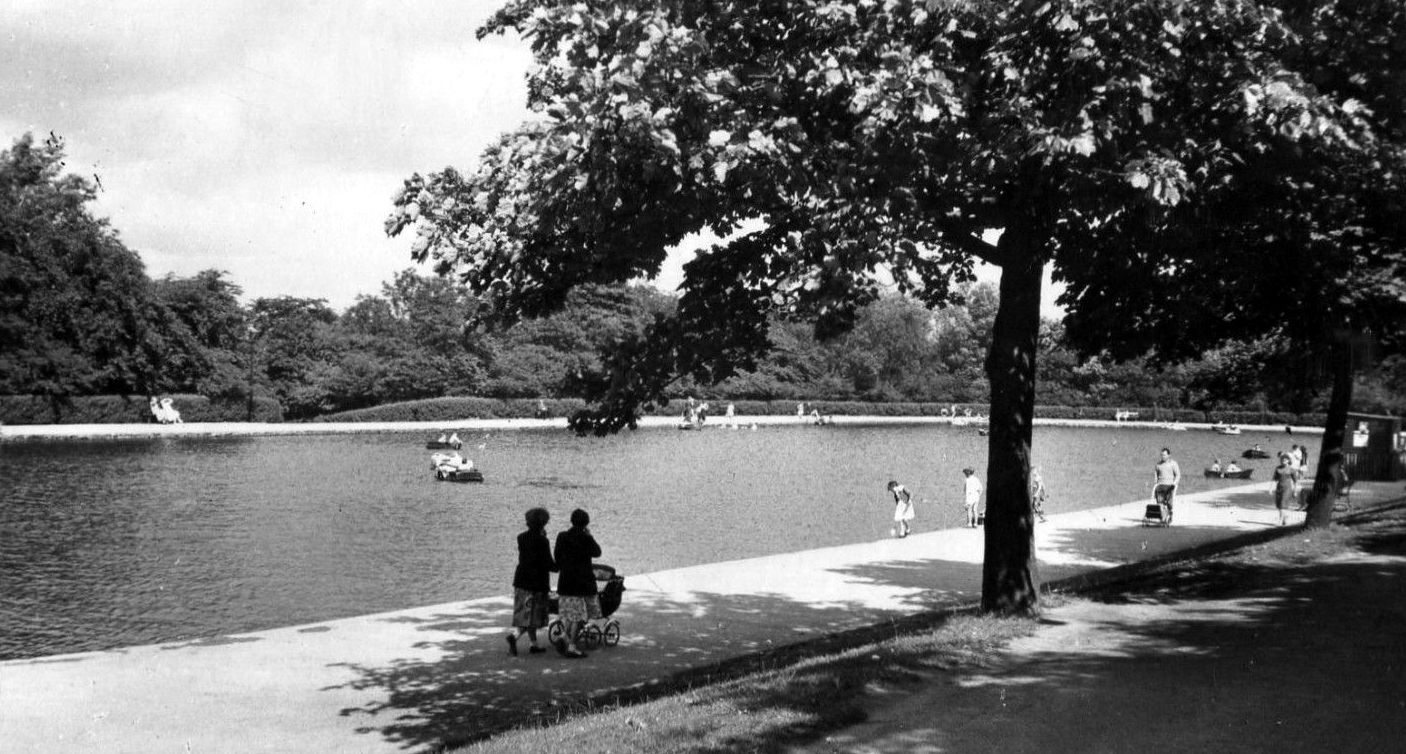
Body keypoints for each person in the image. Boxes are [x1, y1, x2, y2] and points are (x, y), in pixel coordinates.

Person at [553, 508, 603, 658]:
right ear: (585, 523)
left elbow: (557, 557)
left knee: (571, 615)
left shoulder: (561, 536)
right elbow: (597, 552)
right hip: (583, 584)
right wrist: (589, 535)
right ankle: (571, 647)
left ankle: (563, 637)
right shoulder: (585, 538)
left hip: (566, 581)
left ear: (572, 521)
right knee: (581, 616)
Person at [507, 507, 557, 656]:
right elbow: (549, 564)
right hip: (537, 583)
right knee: (533, 616)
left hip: (521, 580)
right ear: (543, 524)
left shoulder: (521, 537)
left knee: (524, 613)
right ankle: (514, 636)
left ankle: (533, 644)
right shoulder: (543, 541)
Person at [1153, 447, 1180, 524]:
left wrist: (1174, 484)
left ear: (1169, 455)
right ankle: (1163, 516)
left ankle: (1170, 513)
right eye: (1162, 455)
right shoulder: (1158, 464)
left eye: (1164, 455)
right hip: (1160, 485)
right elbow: (1156, 475)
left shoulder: (1173, 464)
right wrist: (1155, 483)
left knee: (1169, 503)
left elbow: (1178, 475)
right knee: (1159, 502)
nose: (1163, 456)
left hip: (1169, 485)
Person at [1272, 452, 1299, 526]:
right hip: (1279, 488)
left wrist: (1295, 491)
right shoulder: (1278, 468)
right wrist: (1271, 489)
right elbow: (1274, 479)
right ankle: (1285, 519)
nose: (1284, 460)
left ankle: (1280, 520)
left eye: (1285, 459)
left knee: (1282, 504)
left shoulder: (1292, 469)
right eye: (1282, 459)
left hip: (1287, 488)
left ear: (1288, 460)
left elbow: (1296, 482)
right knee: (1279, 504)